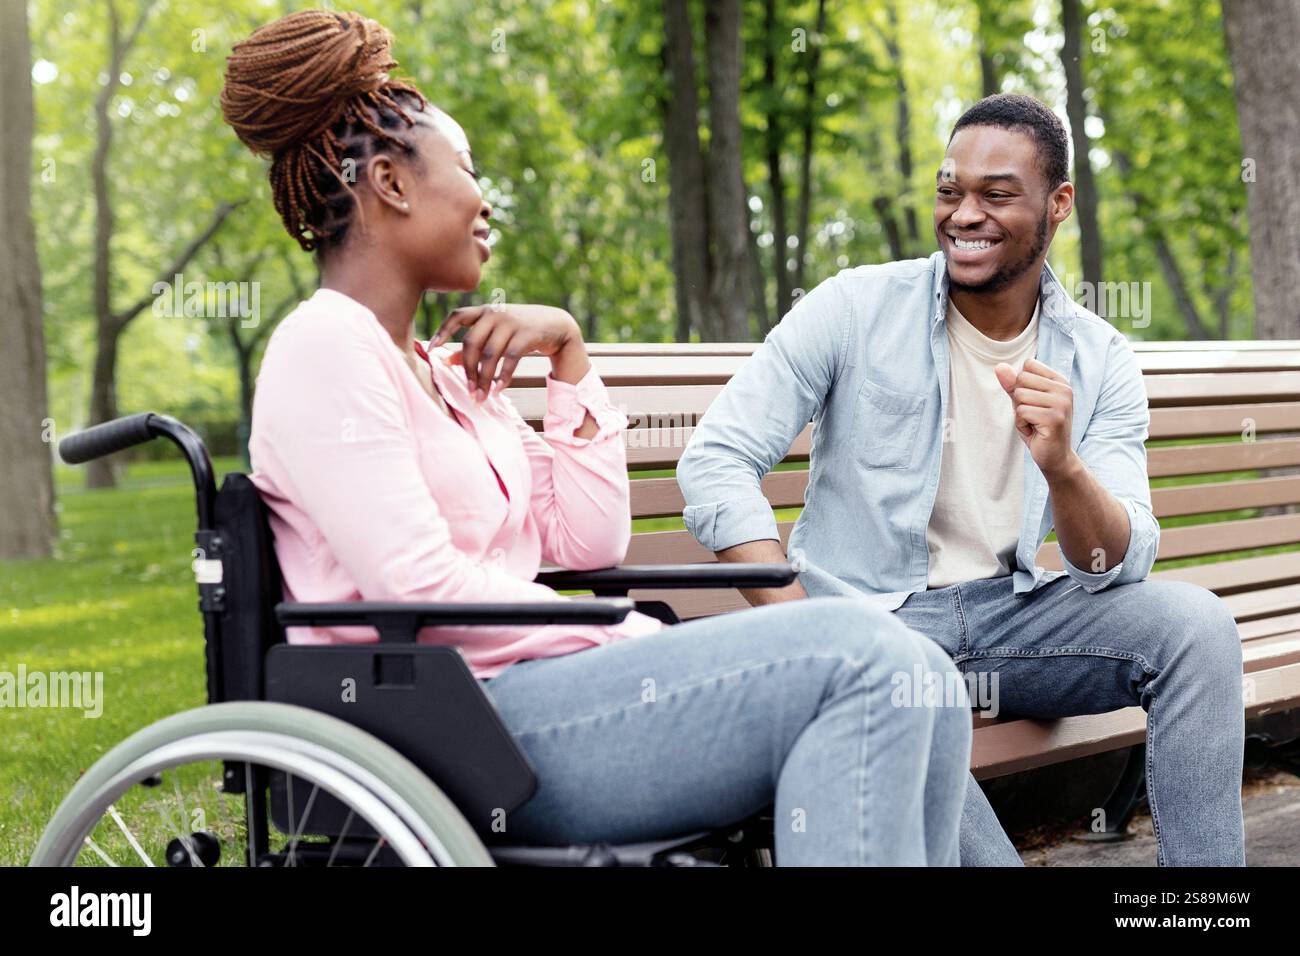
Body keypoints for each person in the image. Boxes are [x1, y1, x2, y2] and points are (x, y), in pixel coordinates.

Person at [220, 9, 971, 865]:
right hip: (461, 726)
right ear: (389, 183)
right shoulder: (326, 347)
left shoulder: (443, 368)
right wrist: (616, 630)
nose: (485, 197)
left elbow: (586, 537)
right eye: (466, 169)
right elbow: (415, 581)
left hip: (541, 696)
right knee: (870, 659)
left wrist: (569, 357)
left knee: (926, 676)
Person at [677, 93, 1245, 867]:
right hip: (874, 618)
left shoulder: (1099, 356)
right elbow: (716, 460)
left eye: (997, 194)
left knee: (1198, 630)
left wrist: (1065, 466)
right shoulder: (854, 308)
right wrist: (808, 628)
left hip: (1012, 618)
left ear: (1059, 204)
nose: (964, 214)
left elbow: (1115, 563)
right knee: (918, 693)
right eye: (951, 191)